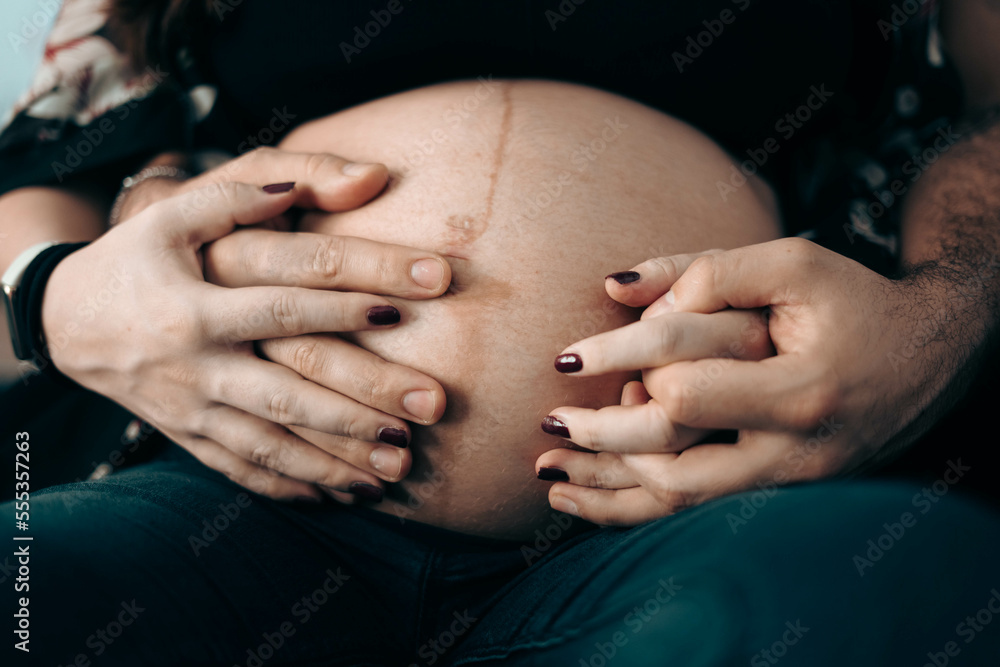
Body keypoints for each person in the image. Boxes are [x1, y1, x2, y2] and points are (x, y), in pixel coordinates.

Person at [2, 0, 999, 664]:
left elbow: (987, 113)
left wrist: (944, 313)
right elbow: (45, 164)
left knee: (909, 575)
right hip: (220, 503)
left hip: (698, 510)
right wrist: (54, 297)